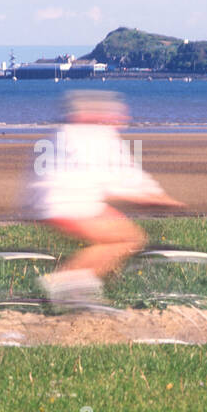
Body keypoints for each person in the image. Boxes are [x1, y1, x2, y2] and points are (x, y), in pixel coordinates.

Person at [21, 90, 183, 308]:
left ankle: (77, 287)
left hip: (49, 202)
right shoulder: (100, 135)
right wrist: (159, 197)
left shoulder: (64, 132)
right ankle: (64, 286)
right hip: (73, 204)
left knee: (109, 239)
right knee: (129, 239)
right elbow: (125, 177)